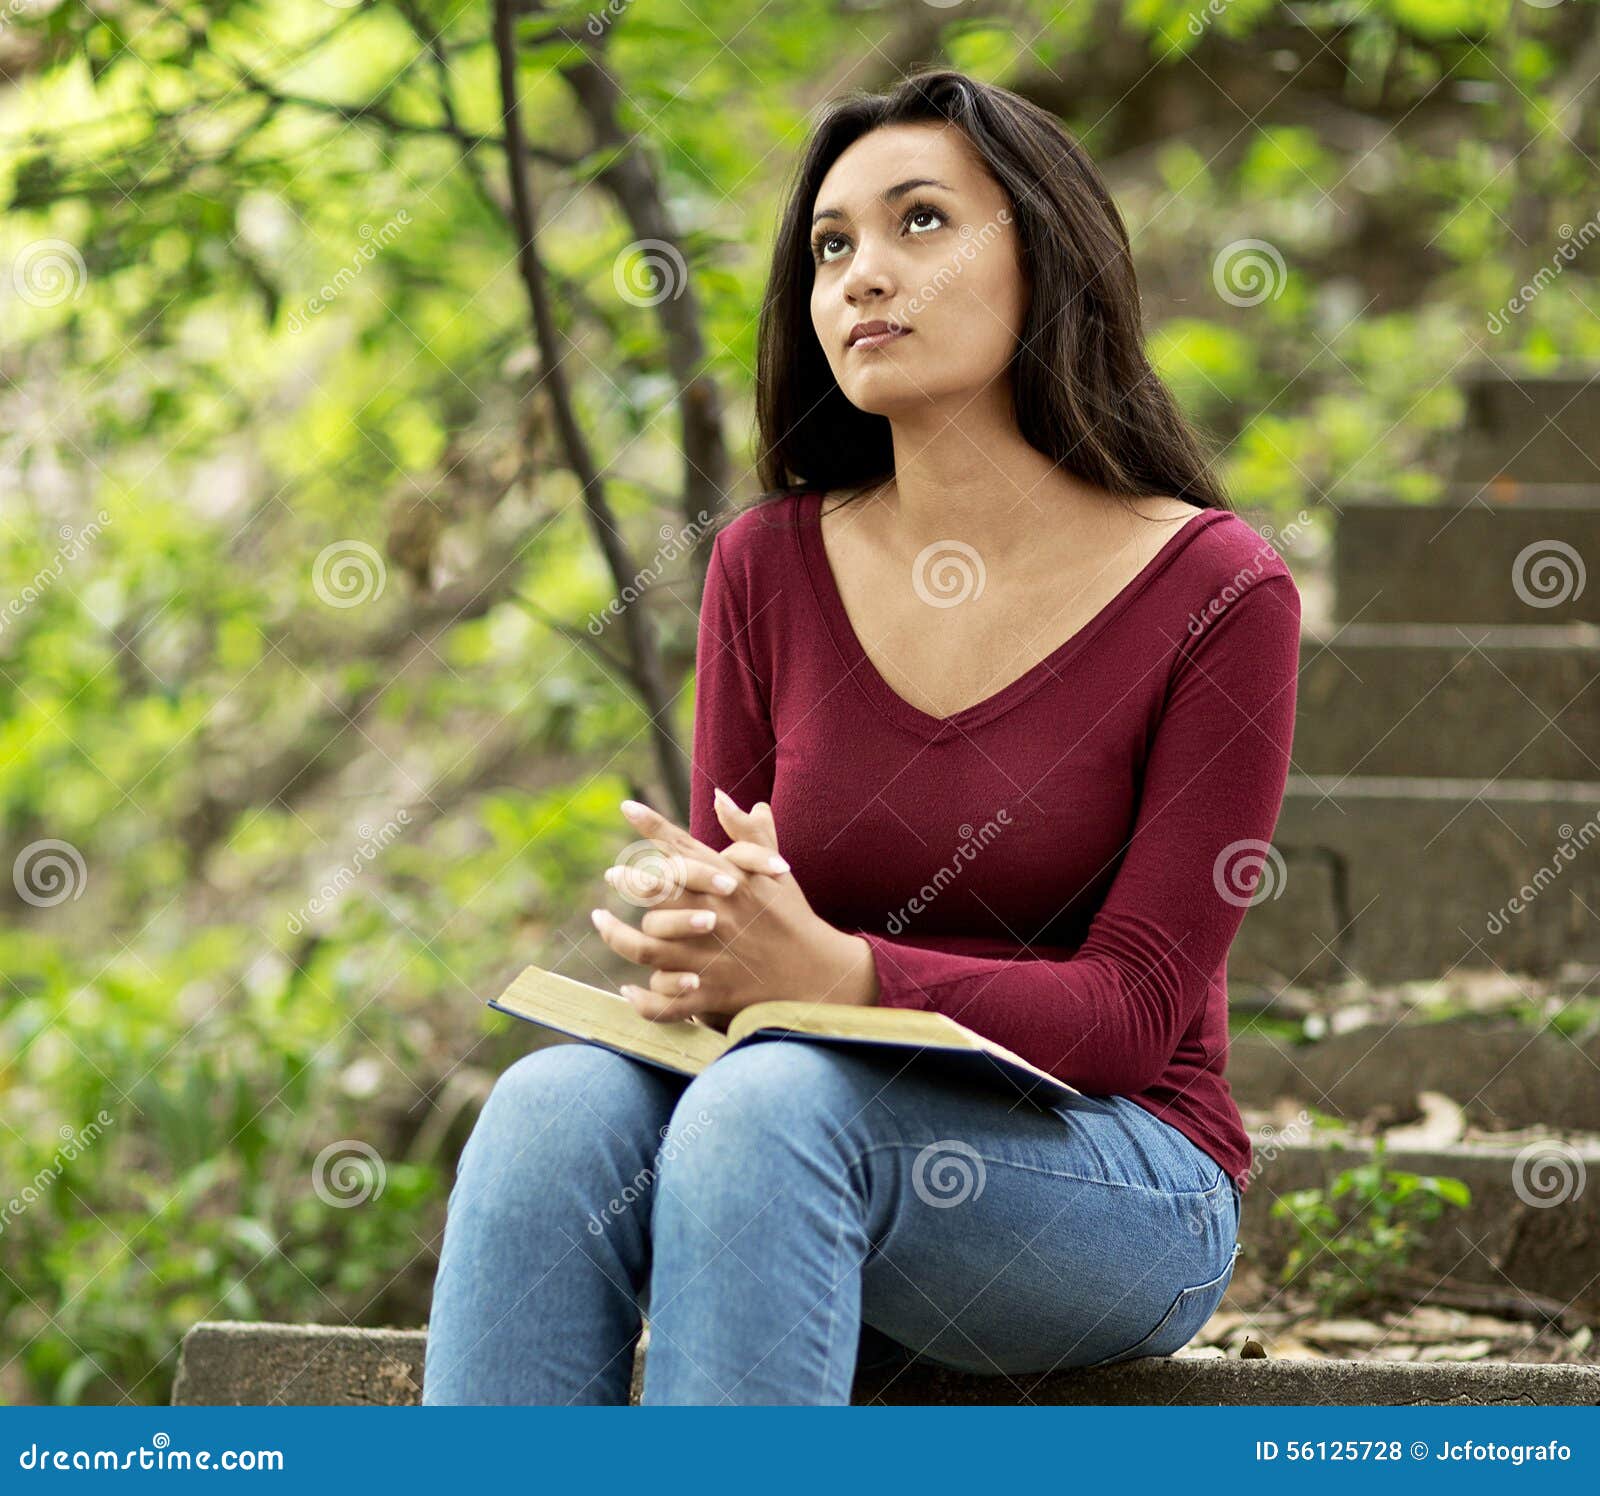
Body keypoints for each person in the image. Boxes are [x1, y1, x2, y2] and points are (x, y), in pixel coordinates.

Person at [423, 67, 1300, 1406]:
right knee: (551, 1112)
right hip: (783, 1124)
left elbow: (1132, 1015)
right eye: (832, 245)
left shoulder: (1216, 592)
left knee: (769, 1114)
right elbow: (746, 965)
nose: (861, 275)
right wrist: (703, 946)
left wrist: (838, 975)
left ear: (1047, 255)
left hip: (1115, 1174)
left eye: (921, 224)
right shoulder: (766, 568)